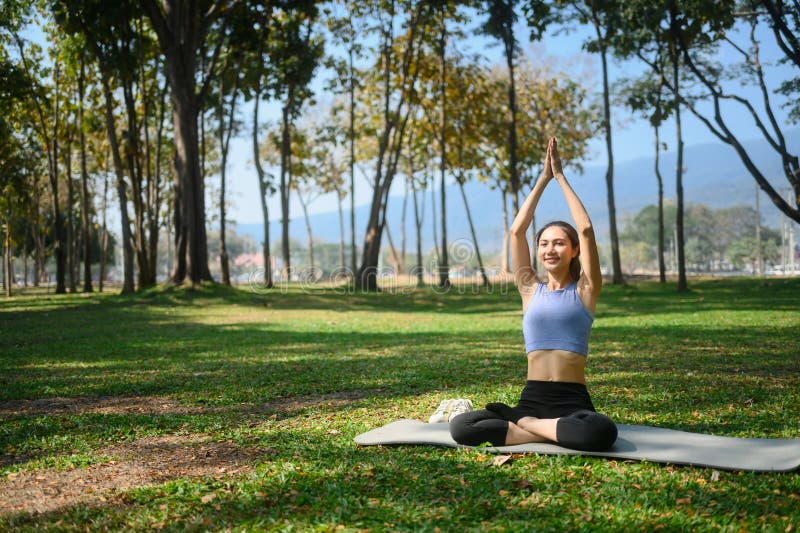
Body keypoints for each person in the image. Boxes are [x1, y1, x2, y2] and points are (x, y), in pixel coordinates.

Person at [449, 137, 617, 451]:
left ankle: (527, 427)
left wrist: (561, 178)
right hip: (532, 398)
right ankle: (542, 428)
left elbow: (587, 230)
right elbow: (516, 231)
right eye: (544, 243)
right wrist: (543, 179)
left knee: (601, 431)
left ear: (574, 250)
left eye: (559, 243)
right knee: (462, 426)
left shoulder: (586, 290)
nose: (549, 249)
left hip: (572, 401)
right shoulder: (529, 288)